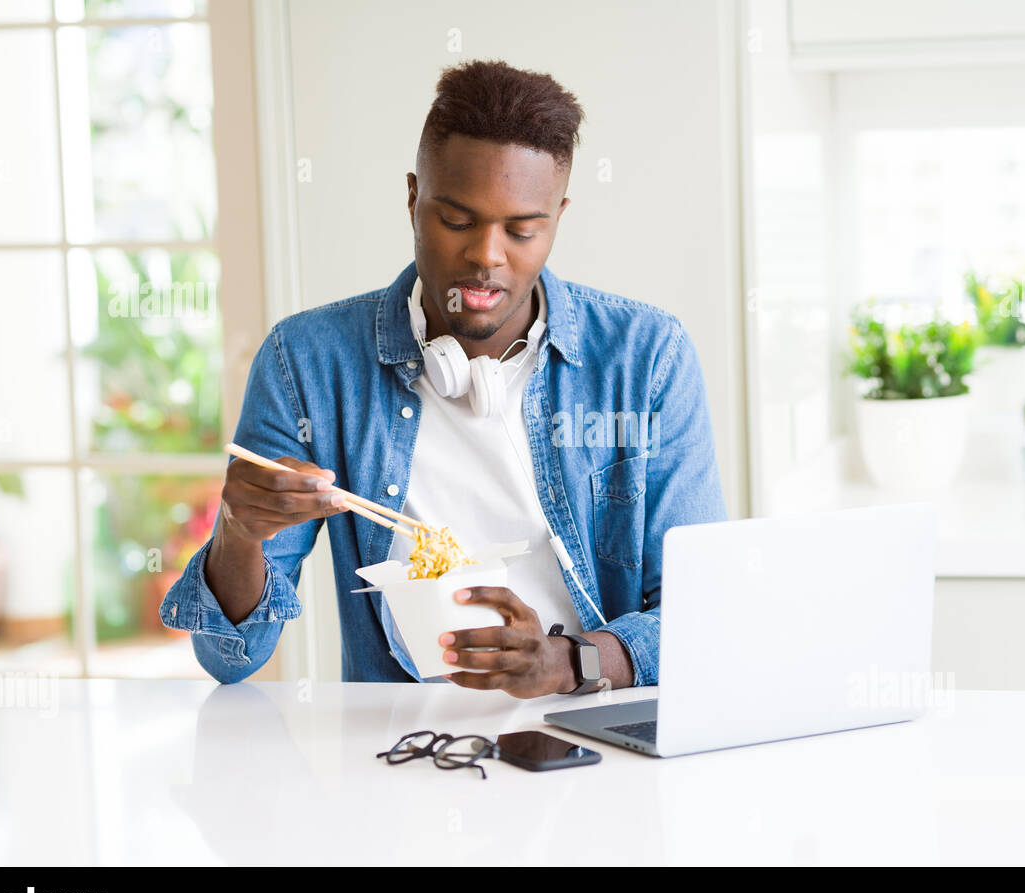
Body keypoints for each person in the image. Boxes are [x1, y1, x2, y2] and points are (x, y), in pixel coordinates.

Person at [161, 59, 725, 696]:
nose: (486, 256)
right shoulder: (308, 363)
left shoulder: (648, 358)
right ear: (412, 198)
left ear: (558, 217)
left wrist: (566, 663)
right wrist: (239, 530)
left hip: (594, 728)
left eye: (522, 230)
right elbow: (231, 658)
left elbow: (705, 616)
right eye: (457, 221)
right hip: (402, 749)